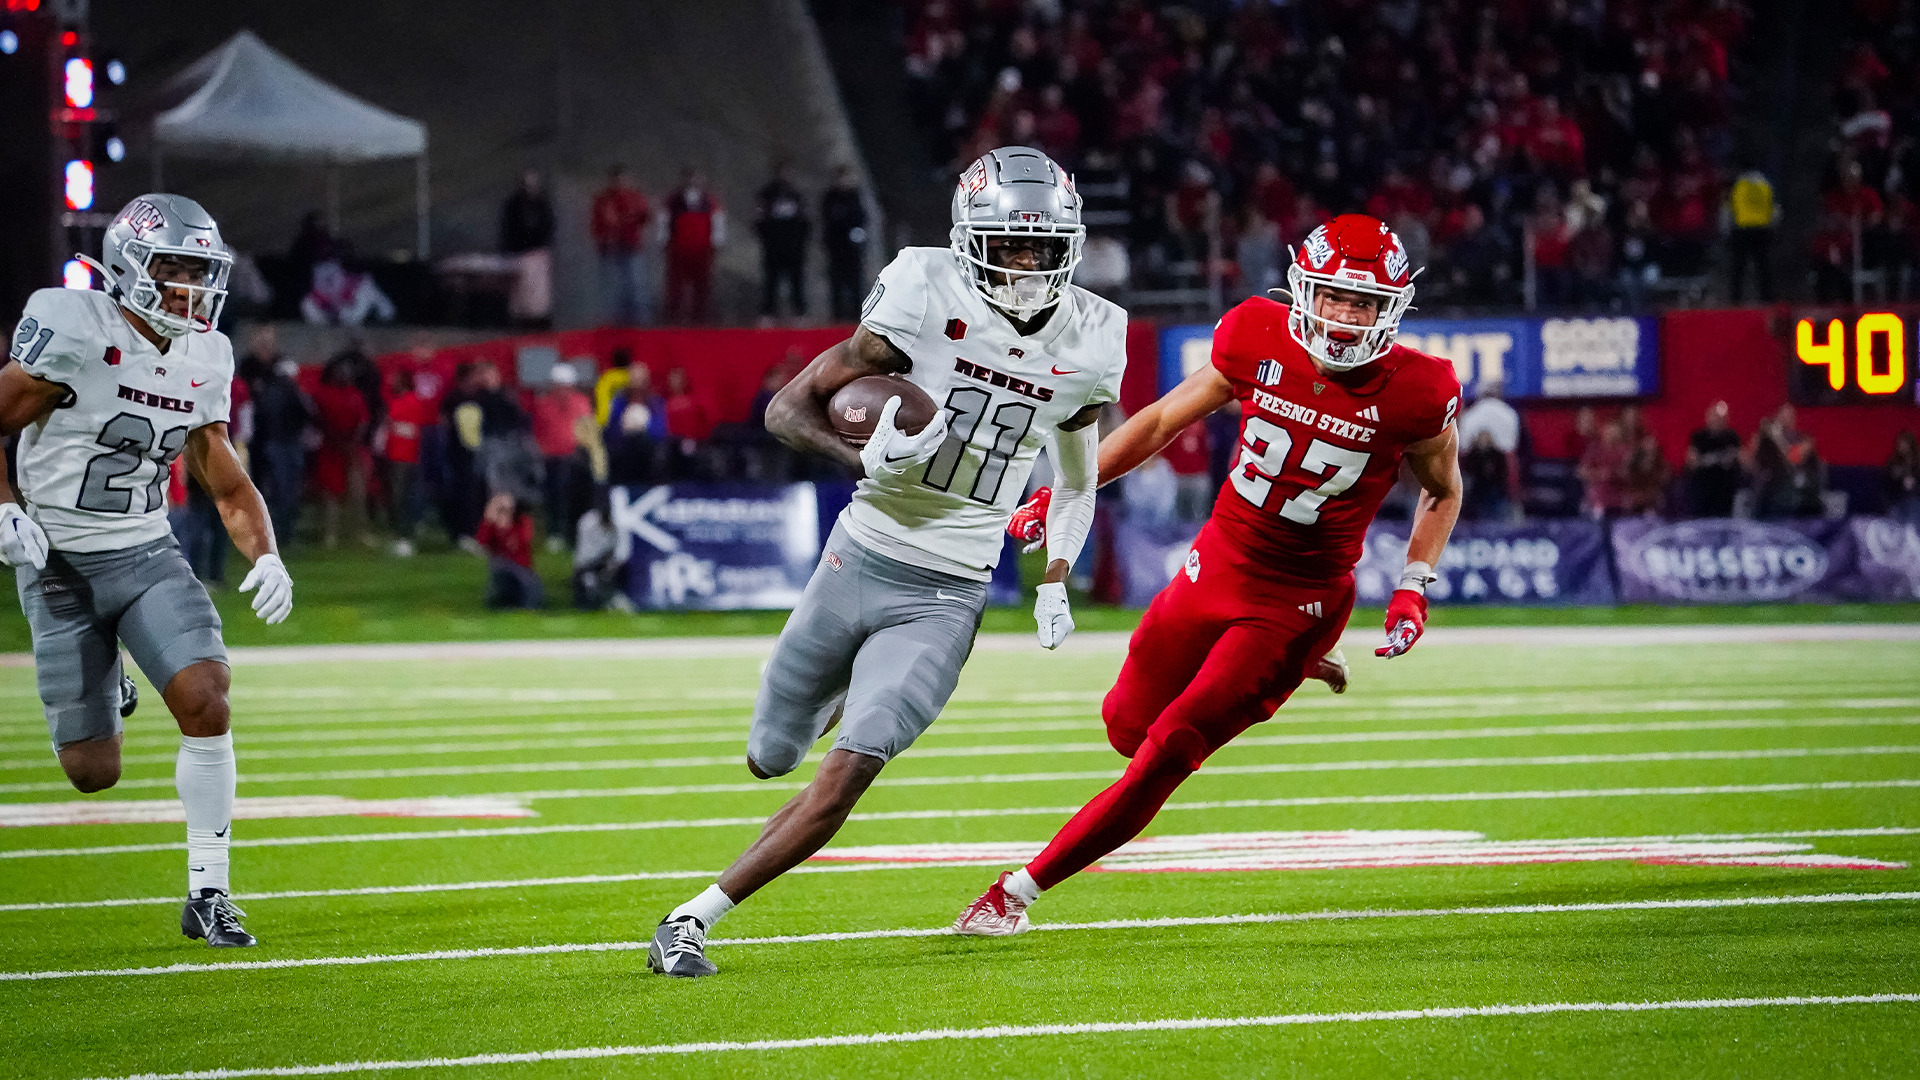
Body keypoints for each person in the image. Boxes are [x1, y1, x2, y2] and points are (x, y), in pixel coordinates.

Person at [646, 146, 1128, 978]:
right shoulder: (921, 286)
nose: (1024, 261)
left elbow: (1079, 479)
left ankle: (692, 918)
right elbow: (786, 409)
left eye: (1041, 244)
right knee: (770, 754)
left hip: (950, 586)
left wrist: (1054, 577)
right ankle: (838, 689)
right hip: (860, 551)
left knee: (848, 771)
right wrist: (861, 458)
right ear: (968, 237)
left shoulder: (1093, 335)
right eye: (1007, 243)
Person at [953, 213, 1461, 935]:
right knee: (1127, 728)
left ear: (1393, 310)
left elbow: (1443, 490)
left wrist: (1414, 583)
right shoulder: (1256, 332)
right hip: (1219, 560)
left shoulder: (1420, 389)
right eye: (1332, 297)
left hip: (1299, 600)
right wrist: (1067, 491)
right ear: (1301, 290)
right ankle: (1300, 665)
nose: (1345, 319)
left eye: (1364, 304)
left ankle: (1016, 892)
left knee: (1165, 752)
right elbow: (1161, 422)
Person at [0, 194, 293, 947]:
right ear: (131, 266)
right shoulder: (73, 327)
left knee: (207, 696)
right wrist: (5, 506)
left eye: (204, 271)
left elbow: (225, 482)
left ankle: (209, 891)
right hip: (58, 560)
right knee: (92, 773)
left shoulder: (205, 355)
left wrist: (266, 554)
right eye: (177, 269)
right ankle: (112, 672)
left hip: (146, 551)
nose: (195, 288)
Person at [311, 357, 372, 549]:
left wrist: (352, 442)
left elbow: (363, 422)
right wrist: (335, 439)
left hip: (352, 449)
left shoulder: (356, 396)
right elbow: (318, 419)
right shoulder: (324, 394)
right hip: (331, 449)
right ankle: (330, 534)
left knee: (357, 493)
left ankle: (358, 532)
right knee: (331, 495)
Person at [532, 364, 594, 548]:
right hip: (552, 458)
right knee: (554, 497)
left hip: (576, 457)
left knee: (576, 497)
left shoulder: (581, 402)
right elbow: (538, 432)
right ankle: (555, 532)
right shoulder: (543, 405)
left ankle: (572, 532)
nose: (563, 390)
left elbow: (587, 429)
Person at [591, 165, 653, 326]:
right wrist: (603, 241)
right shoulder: (603, 200)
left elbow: (645, 217)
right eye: (615, 179)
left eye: (621, 179)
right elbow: (597, 225)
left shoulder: (635, 198)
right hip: (610, 250)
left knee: (635, 286)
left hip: (631, 248)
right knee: (612, 289)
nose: (619, 182)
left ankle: (639, 322)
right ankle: (614, 322)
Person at [383, 370, 436, 556]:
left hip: (404, 457)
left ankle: (405, 536)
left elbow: (401, 423)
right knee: (401, 497)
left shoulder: (410, 401)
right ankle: (403, 534)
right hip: (399, 455)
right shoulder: (406, 401)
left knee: (402, 498)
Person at [1456, 377, 1522, 522]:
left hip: (1489, 479)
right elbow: (1514, 445)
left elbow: (1463, 449)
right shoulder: (1510, 414)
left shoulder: (1470, 416)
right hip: (1494, 479)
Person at [663, 168, 724, 324]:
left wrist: (716, 244)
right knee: (676, 287)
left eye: (695, 178)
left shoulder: (709, 201)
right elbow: (663, 222)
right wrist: (664, 242)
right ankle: (674, 320)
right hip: (679, 250)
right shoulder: (673, 201)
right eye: (689, 178)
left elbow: (718, 223)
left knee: (702, 286)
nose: (692, 181)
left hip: (702, 251)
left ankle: (700, 320)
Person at [500, 168, 556, 328]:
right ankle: (520, 318)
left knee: (537, 289)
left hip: (537, 252)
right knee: (519, 289)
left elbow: (548, 225)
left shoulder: (542, 204)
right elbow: (508, 227)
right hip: (519, 252)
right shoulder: (513, 205)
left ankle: (538, 317)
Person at [756, 163, 811, 319]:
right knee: (771, 281)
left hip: (793, 246)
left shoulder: (796, 195)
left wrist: (800, 241)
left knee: (796, 280)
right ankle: (768, 313)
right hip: (773, 246)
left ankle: (799, 312)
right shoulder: (766, 195)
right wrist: (767, 239)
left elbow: (805, 222)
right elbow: (759, 220)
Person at [476, 492, 542, 609]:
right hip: (501, 563)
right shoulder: (491, 525)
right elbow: (482, 543)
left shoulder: (522, 522)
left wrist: (506, 529)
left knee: (529, 583)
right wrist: (490, 521)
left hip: (521, 565)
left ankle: (530, 607)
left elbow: (522, 542)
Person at [822, 165, 869, 321]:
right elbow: (828, 220)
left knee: (855, 282)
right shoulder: (830, 198)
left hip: (853, 249)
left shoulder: (854, 196)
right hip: (836, 247)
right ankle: (838, 315)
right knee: (837, 282)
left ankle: (857, 314)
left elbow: (862, 218)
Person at [1684, 401, 1743, 517]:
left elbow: (1742, 458)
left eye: (1721, 418)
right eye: (1714, 417)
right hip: (1703, 490)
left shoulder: (1731, 437)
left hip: (1725, 490)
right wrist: (1709, 460)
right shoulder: (1699, 437)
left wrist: (1734, 456)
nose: (1717, 421)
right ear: (1708, 418)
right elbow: (1692, 461)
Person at [1887, 431, 1920, 524]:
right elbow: (1887, 485)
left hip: (1916, 499)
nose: (1901, 446)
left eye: (1904, 443)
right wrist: (1897, 478)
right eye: (1899, 443)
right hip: (1898, 499)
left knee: (1914, 506)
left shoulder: (1918, 463)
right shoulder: (1893, 462)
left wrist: (1914, 485)